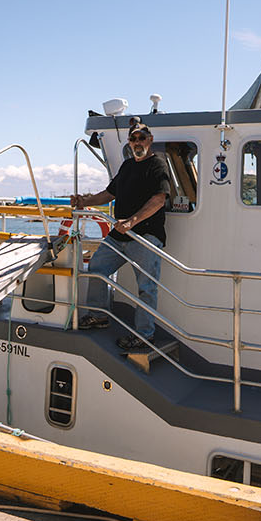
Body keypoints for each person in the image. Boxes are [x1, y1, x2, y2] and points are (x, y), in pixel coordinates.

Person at [68, 119, 171, 350]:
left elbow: (159, 199)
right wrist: (84, 201)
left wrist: (132, 221)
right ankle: (99, 315)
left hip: (144, 237)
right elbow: (109, 194)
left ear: (150, 140)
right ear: (129, 142)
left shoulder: (158, 166)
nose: (137, 142)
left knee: (146, 287)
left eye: (141, 138)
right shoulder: (126, 167)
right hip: (119, 236)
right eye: (133, 139)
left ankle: (145, 335)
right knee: (96, 269)